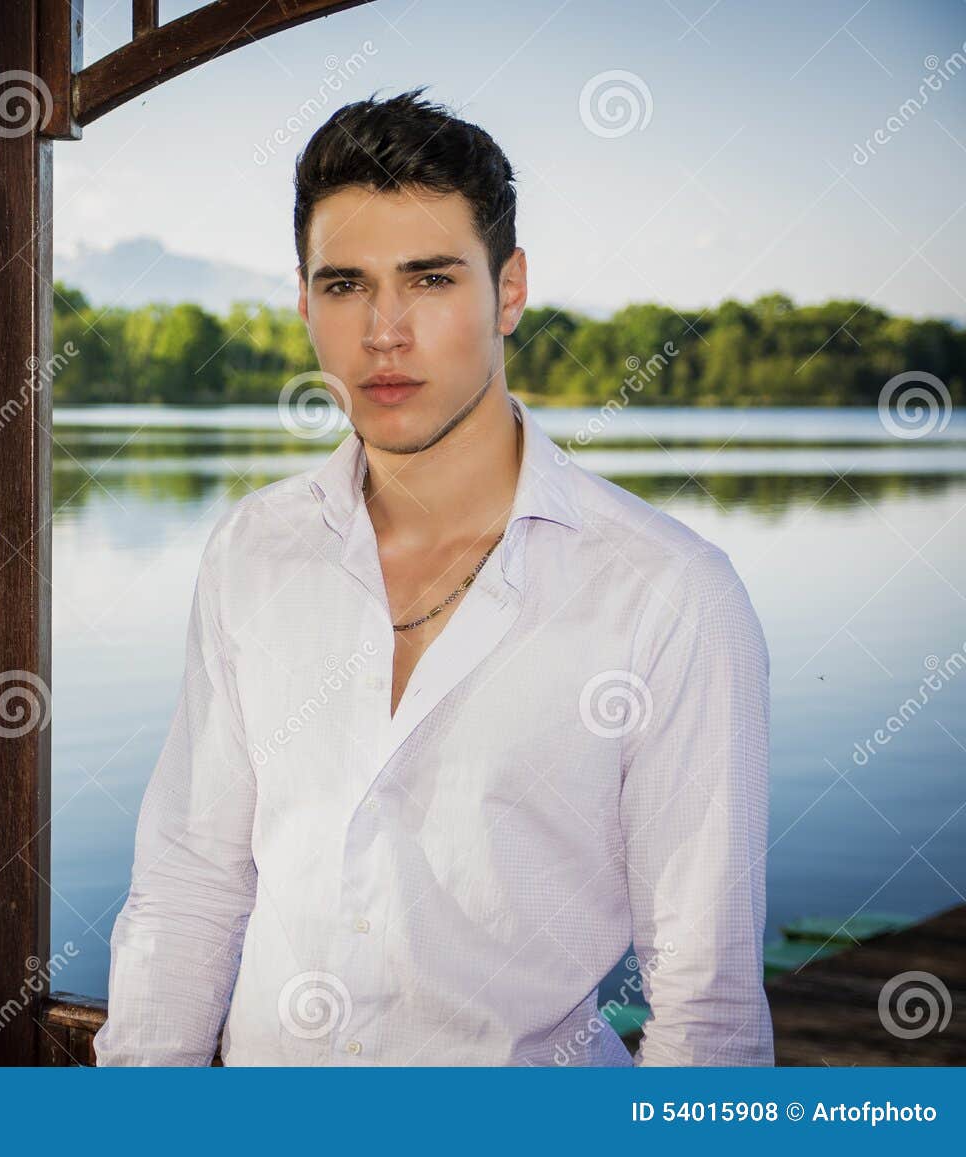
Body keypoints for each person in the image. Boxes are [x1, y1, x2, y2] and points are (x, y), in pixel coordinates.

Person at [93, 88, 773, 1066]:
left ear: (508, 291)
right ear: (303, 301)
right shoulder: (253, 551)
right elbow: (191, 883)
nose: (383, 331)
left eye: (428, 280)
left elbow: (706, 1013)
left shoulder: (668, 595)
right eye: (343, 285)